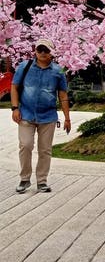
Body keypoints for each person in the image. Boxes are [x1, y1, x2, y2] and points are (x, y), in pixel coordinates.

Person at [10, 38, 71, 194]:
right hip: (26, 114)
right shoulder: (25, 66)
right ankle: (24, 179)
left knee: (45, 150)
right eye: (40, 50)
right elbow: (14, 87)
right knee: (25, 145)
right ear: (35, 51)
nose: (42, 53)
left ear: (51, 53)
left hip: (48, 116)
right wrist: (14, 108)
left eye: (46, 50)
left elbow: (63, 95)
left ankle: (42, 181)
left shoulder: (58, 71)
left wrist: (67, 118)